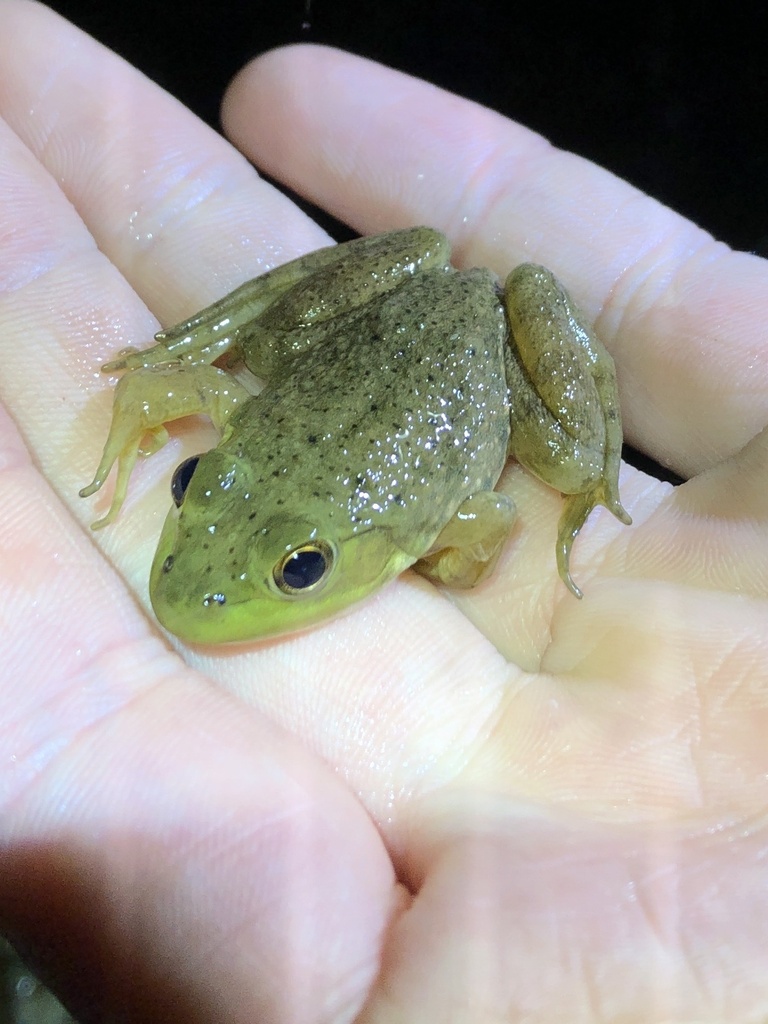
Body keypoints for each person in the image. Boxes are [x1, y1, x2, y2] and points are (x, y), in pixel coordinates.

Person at [0, 3, 766, 1021]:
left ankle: (579, 475)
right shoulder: (244, 442)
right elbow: (218, 401)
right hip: (371, 344)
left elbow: (484, 527)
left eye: (301, 568)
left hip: (470, 364)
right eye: (195, 483)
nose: (192, 565)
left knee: (569, 455)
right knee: (272, 350)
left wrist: (434, 557)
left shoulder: (422, 519)